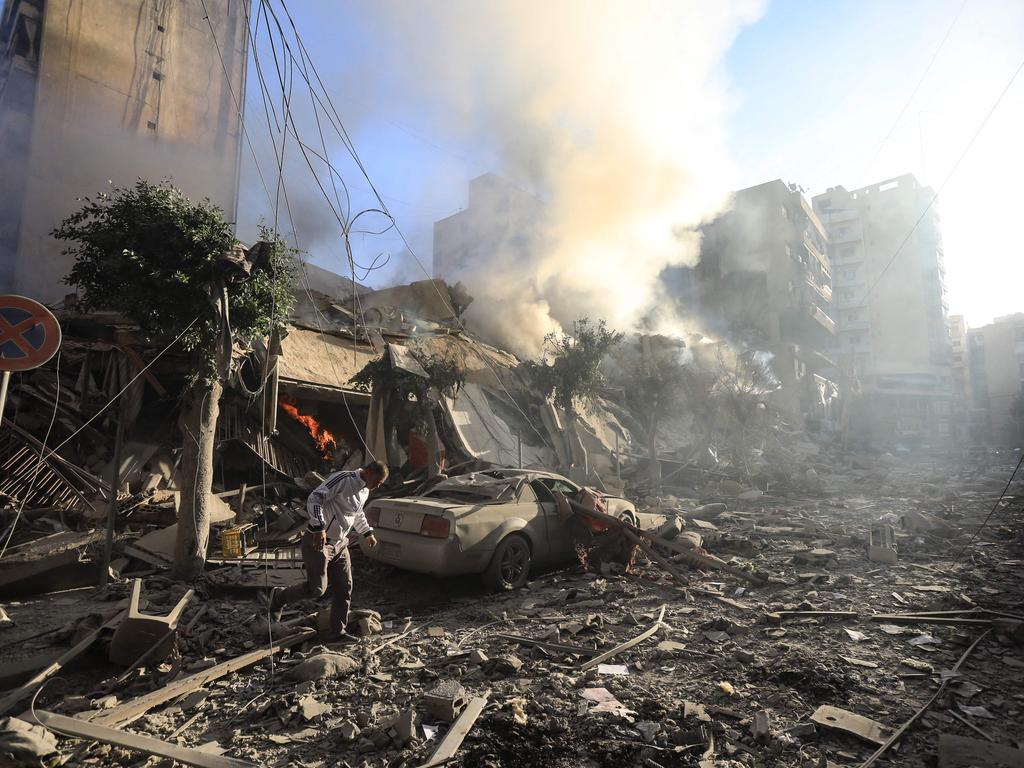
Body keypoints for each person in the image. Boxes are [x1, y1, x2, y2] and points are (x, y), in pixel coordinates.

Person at [267, 460, 389, 643]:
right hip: (319, 542)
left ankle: (337, 632)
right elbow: (315, 498)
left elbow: (357, 514)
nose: (377, 487)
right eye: (378, 482)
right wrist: (319, 527)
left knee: (344, 587)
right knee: (317, 589)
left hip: (340, 545)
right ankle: (278, 597)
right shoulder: (343, 478)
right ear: (370, 471)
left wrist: (367, 533)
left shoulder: (364, 491)